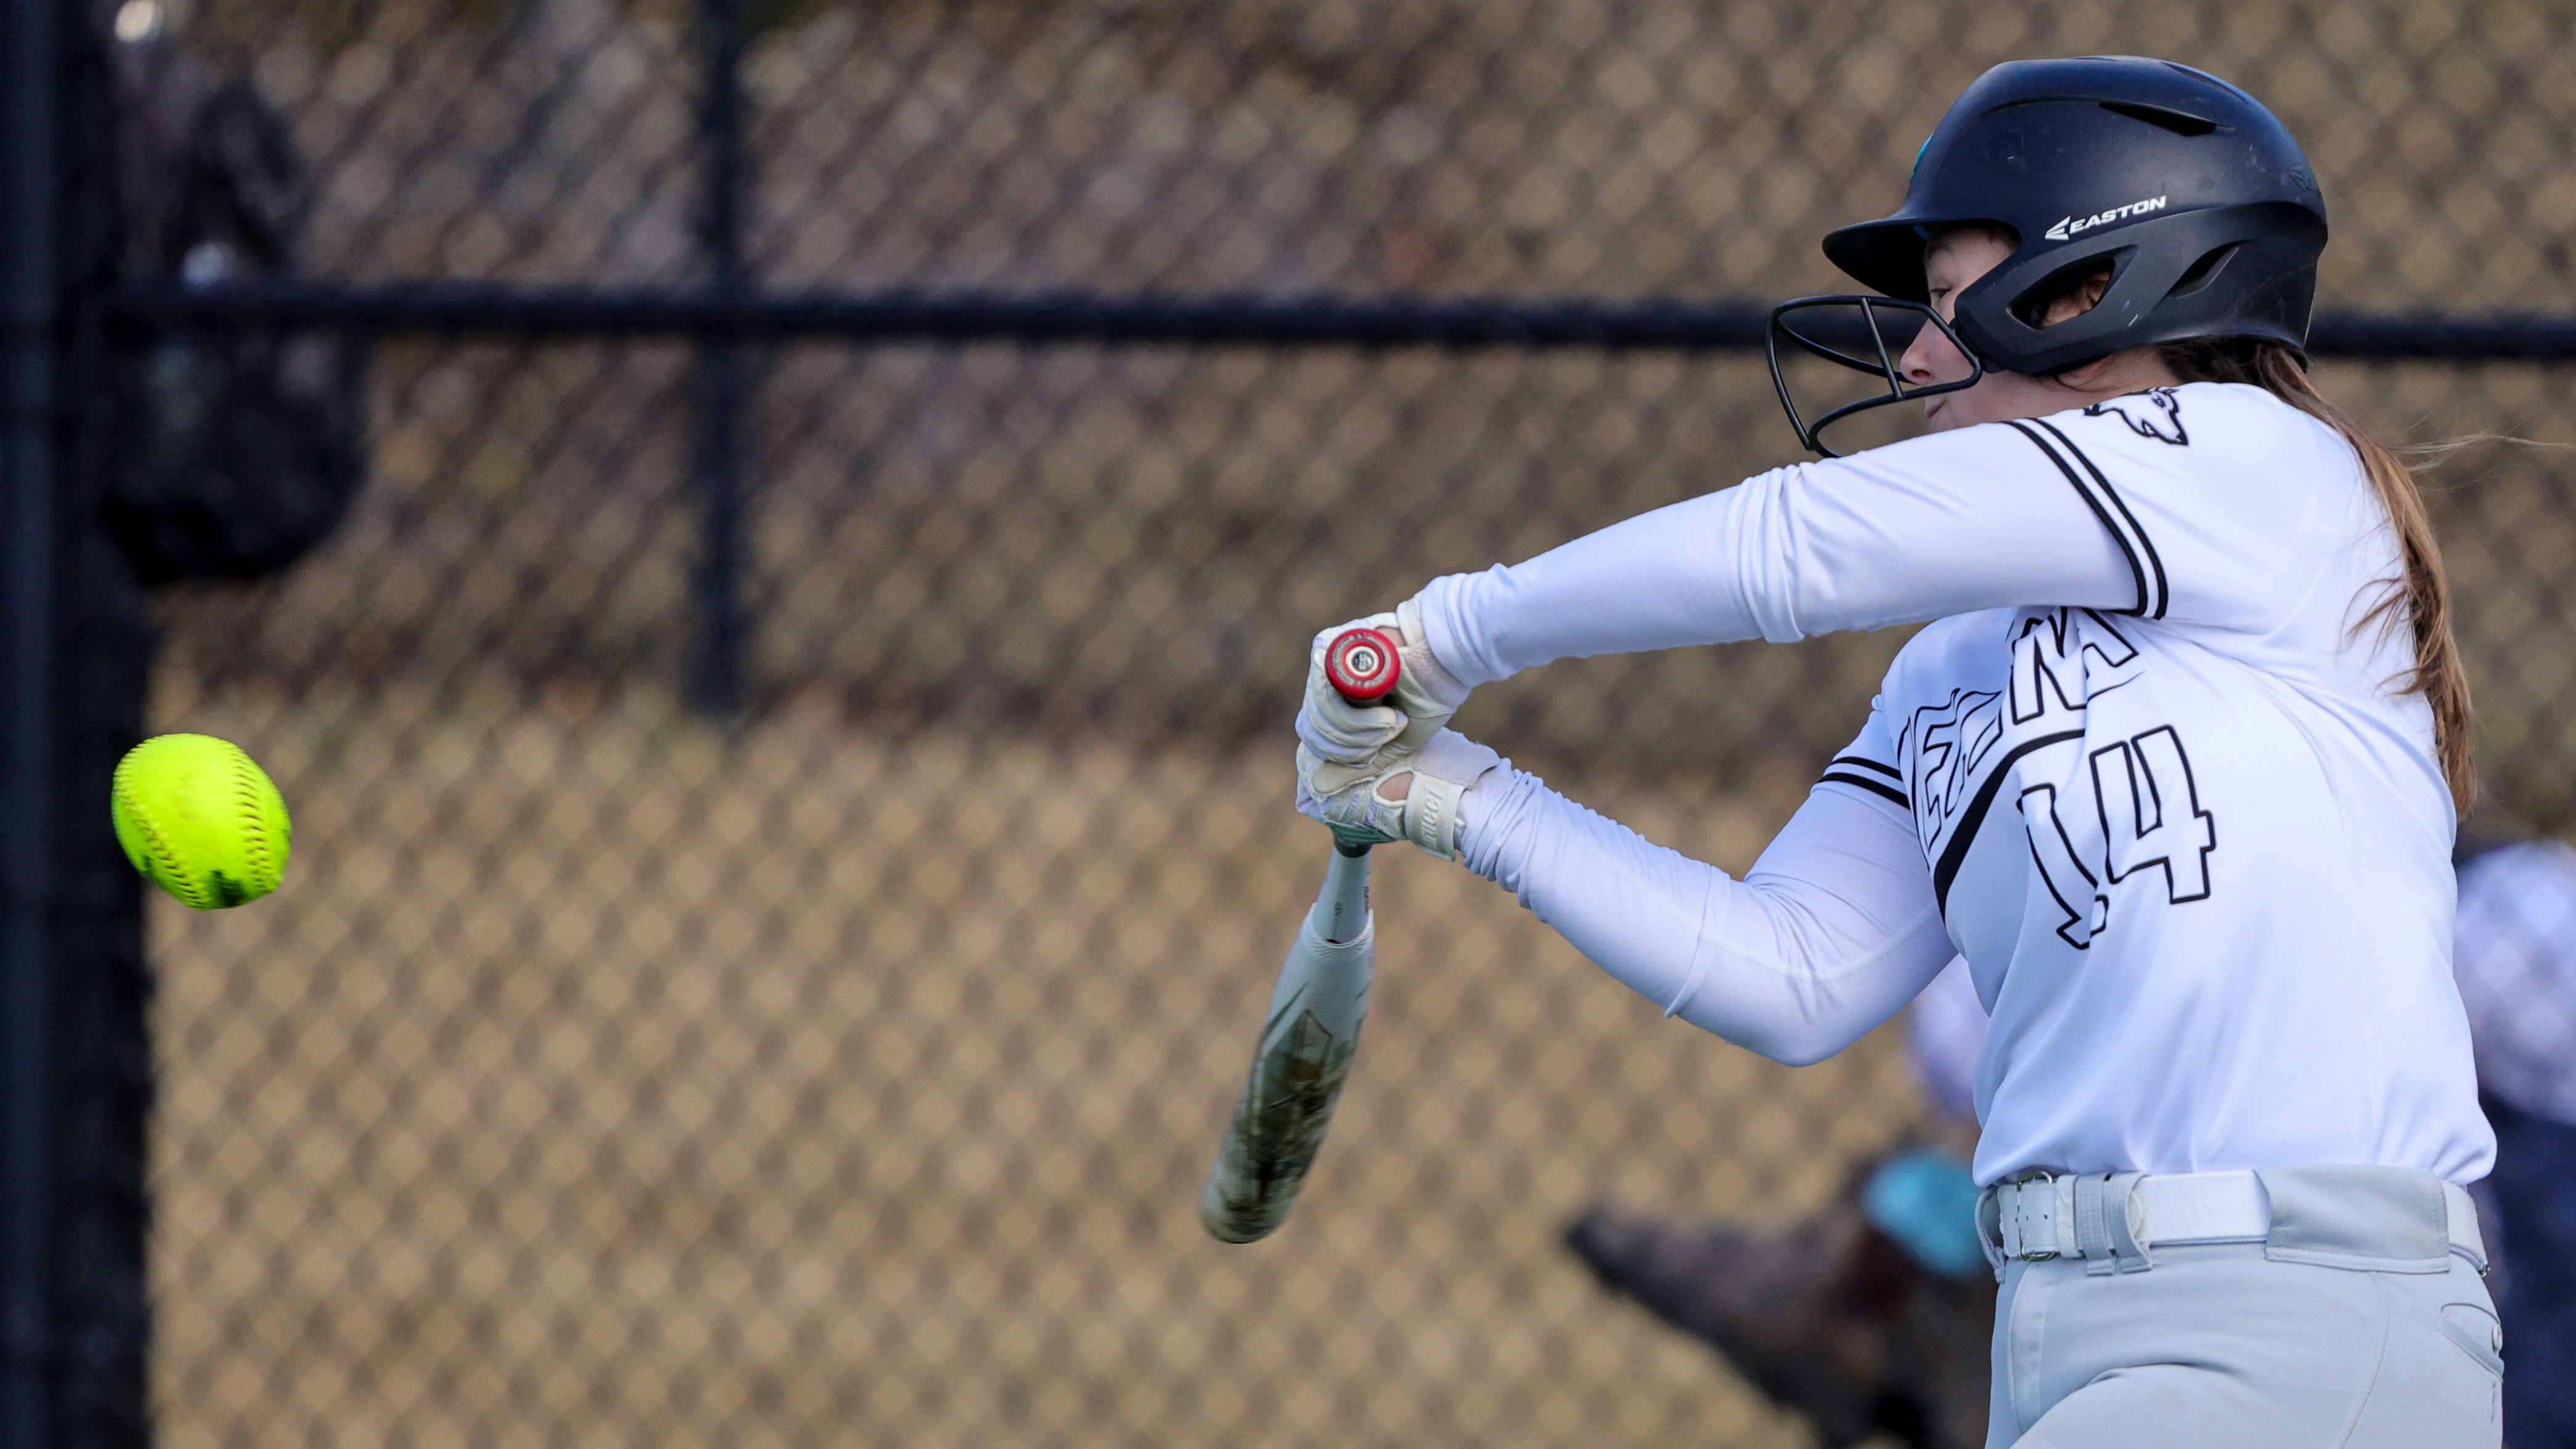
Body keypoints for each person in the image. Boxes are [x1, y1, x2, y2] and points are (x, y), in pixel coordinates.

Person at [1294, 57, 2500, 1447]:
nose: (1915, 355)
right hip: (2056, 1329)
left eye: (1948, 307)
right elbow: (1792, 971)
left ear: (2091, 292)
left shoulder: (2262, 470)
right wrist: (1457, 796)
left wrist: (1436, 636)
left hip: (2293, 1308)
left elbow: (1794, 549)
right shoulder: (1956, 659)